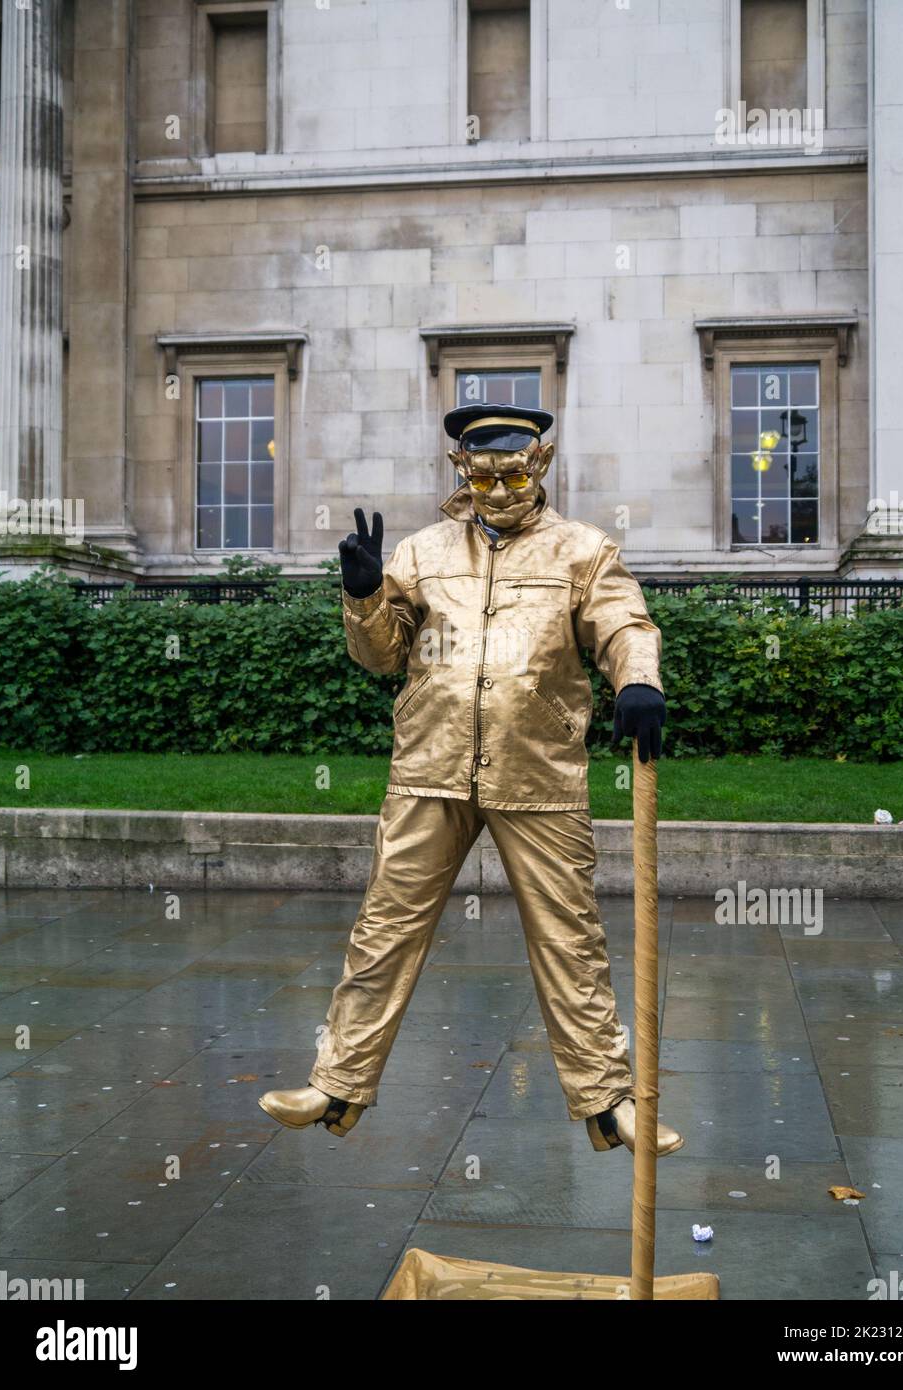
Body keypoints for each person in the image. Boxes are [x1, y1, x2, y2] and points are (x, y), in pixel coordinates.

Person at [259, 404, 682, 1157]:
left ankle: (607, 1096)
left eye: (515, 471)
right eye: (484, 474)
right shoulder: (421, 553)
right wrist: (362, 595)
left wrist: (637, 681)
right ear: (462, 470)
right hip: (430, 767)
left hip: (539, 772)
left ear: (541, 463)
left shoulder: (583, 550)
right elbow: (381, 656)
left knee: (570, 937)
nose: (500, 487)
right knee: (384, 931)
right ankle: (339, 1081)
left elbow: (624, 623)